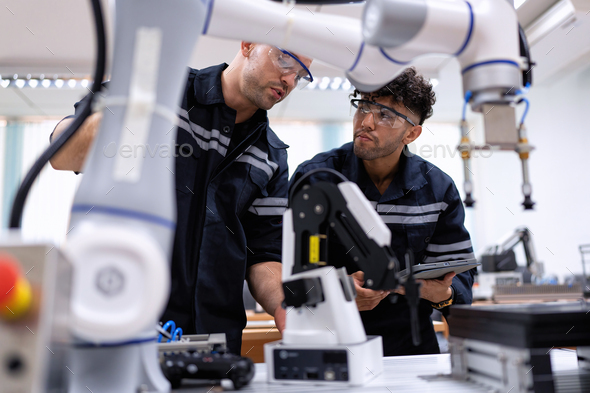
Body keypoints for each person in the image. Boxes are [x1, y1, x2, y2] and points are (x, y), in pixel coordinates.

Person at [50, 42, 313, 355]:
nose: (289, 80)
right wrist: (134, 107)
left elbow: (264, 257)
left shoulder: (271, 155)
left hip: (213, 346)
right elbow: (62, 153)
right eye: (285, 60)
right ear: (248, 45)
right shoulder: (164, 91)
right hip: (121, 325)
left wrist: (286, 306)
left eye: (300, 75)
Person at [290, 67, 474, 356]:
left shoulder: (438, 190)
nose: (366, 121)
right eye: (362, 106)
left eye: (385, 115)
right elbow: (287, 269)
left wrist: (444, 295)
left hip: (412, 349)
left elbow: (459, 279)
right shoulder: (316, 179)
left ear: (411, 134)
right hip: (331, 345)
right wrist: (337, 291)